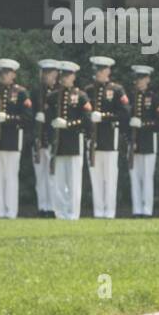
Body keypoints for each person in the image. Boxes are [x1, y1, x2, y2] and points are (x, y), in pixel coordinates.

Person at [85, 56, 130, 218]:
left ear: (108, 71)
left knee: (110, 179)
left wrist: (104, 116)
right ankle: (98, 212)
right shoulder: (89, 90)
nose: (98, 74)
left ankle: (109, 212)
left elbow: (125, 113)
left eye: (101, 71)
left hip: (110, 139)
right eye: (96, 71)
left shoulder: (117, 90)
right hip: (94, 141)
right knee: (96, 179)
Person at [47, 61, 92, 220]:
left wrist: (69, 124)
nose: (65, 78)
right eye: (63, 75)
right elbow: (47, 120)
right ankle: (60, 213)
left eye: (68, 75)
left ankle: (73, 214)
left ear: (73, 76)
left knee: (73, 182)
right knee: (58, 182)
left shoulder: (81, 96)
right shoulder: (52, 96)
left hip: (74, 142)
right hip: (58, 144)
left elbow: (87, 120)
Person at [0, 59, 32, 219]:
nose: (3, 77)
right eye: (1, 74)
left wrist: (8, 118)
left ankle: (11, 211)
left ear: (13, 74)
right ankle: (1, 211)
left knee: (11, 177)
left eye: (6, 73)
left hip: (13, 139)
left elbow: (27, 117)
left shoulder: (21, 92)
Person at [128, 65, 159, 217]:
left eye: (143, 79)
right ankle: (136, 209)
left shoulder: (154, 98)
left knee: (147, 177)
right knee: (134, 177)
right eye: (138, 79)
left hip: (149, 141)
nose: (140, 82)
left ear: (148, 79)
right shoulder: (130, 97)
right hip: (133, 141)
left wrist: (143, 124)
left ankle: (147, 210)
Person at [30, 59, 60, 217]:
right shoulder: (36, 91)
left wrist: (46, 117)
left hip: (52, 139)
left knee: (52, 176)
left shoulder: (60, 92)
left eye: (51, 73)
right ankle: (43, 207)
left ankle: (53, 207)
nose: (49, 77)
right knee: (40, 177)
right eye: (46, 74)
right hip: (39, 140)